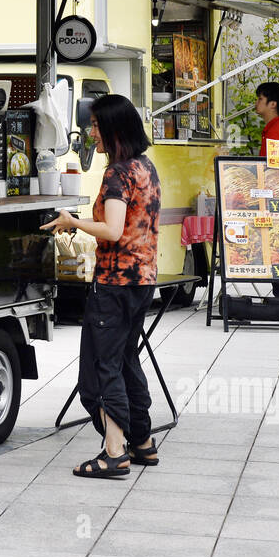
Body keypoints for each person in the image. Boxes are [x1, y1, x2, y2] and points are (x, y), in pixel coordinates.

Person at [42, 94, 160, 477]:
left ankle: (114, 452)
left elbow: (111, 229)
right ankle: (142, 441)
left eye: (95, 126)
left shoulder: (118, 173)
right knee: (126, 360)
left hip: (114, 282)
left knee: (101, 368)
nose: (90, 133)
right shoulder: (145, 167)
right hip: (142, 281)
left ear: (113, 129)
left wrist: (72, 222)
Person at [255, 81, 279, 299]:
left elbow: (278, 173)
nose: (256, 103)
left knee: (278, 248)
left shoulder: (276, 132)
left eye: (260, 98)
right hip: (273, 200)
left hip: (276, 202)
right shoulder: (272, 129)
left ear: (273, 104)